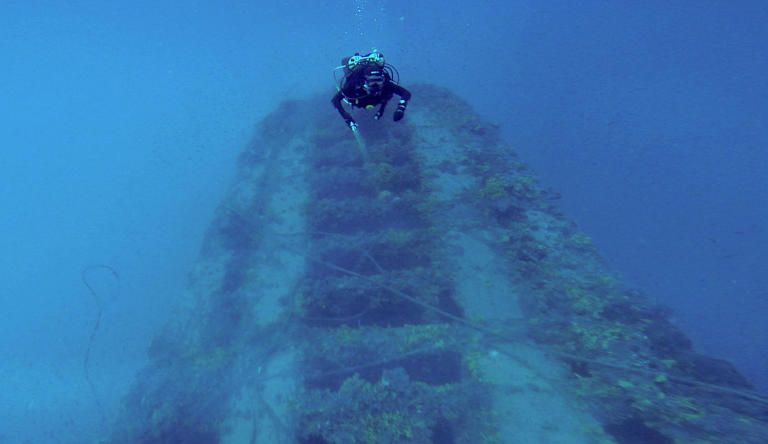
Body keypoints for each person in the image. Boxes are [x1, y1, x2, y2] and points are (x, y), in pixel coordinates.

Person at [331, 50, 411, 132]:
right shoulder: (354, 84)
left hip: (370, 100)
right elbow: (335, 100)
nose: (375, 86)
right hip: (359, 96)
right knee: (346, 64)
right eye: (372, 83)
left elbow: (406, 93)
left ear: (382, 79)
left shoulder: (386, 83)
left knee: (386, 94)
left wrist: (400, 109)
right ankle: (350, 62)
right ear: (364, 82)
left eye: (378, 82)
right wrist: (346, 117)